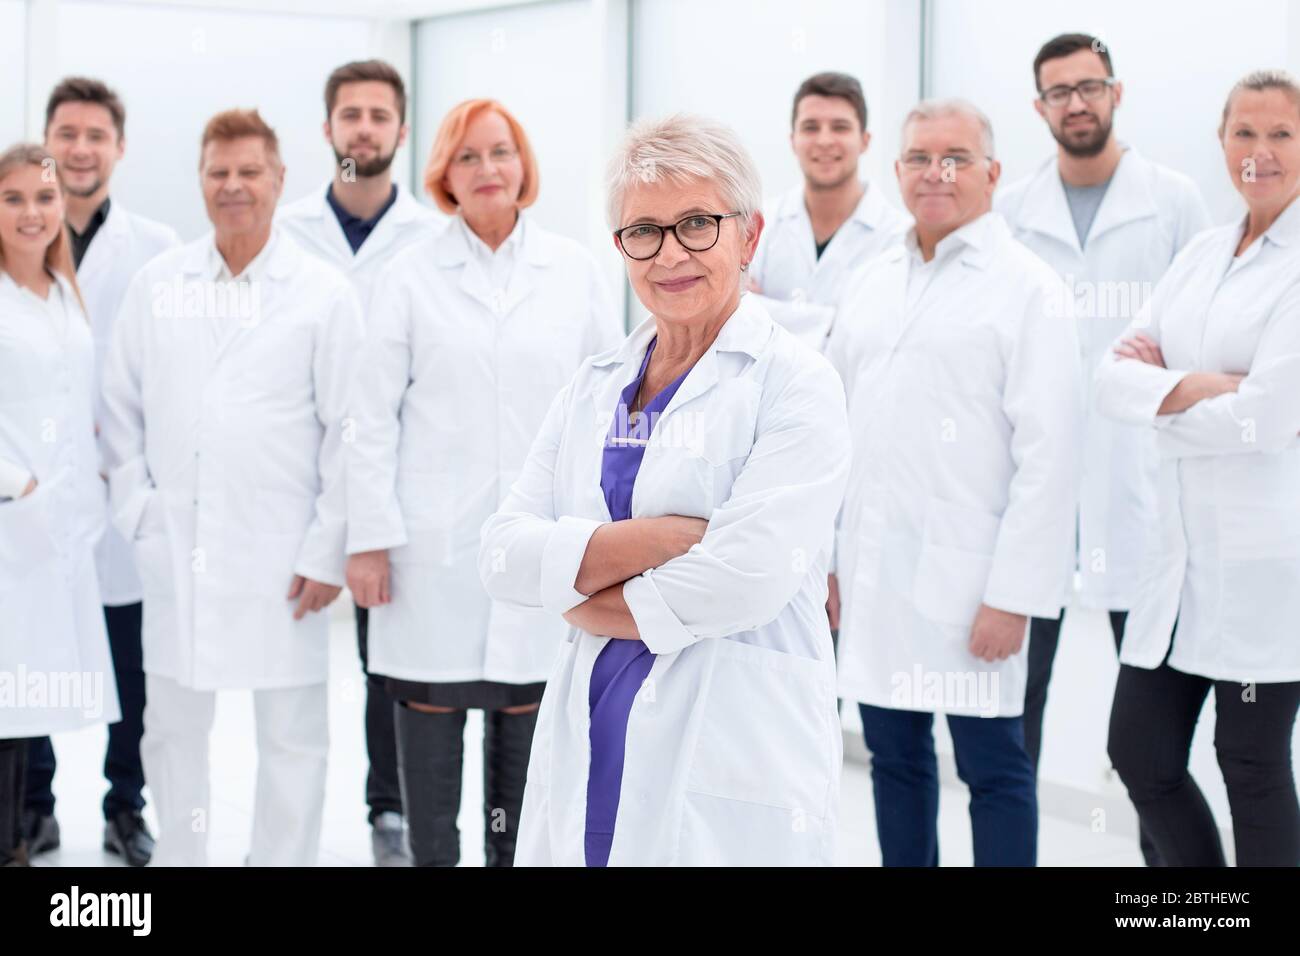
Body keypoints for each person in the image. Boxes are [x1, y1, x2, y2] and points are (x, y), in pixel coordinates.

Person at [479, 114, 851, 866]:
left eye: (696, 225)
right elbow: (500, 554)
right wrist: (657, 541)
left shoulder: (794, 382)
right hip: (594, 717)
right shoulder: (594, 385)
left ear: (748, 236)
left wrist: (575, 593)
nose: (670, 253)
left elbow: (744, 581)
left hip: (732, 732)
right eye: (643, 230)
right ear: (619, 247)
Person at [346, 99, 619, 867]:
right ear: (444, 176)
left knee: (527, 742)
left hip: (545, 544)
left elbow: (606, 408)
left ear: (523, 166)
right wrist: (368, 539)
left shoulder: (573, 270)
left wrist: (603, 537)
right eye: (468, 157)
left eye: (500, 152)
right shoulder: (406, 276)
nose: (487, 169)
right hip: (433, 551)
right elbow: (368, 419)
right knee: (430, 727)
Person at [101, 109, 362, 866]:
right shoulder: (160, 285)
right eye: (219, 172)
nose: (234, 186)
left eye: (250, 171)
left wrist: (327, 549)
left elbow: (351, 430)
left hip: (284, 553)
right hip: (177, 549)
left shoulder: (321, 292)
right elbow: (117, 412)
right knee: (174, 730)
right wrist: (138, 511)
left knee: (292, 736)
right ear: (202, 183)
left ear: (279, 180)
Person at [828, 100, 1083, 867]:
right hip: (874, 581)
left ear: (993, 173)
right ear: (897, 170)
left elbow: (1053, 455)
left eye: (956, 157)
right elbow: (833, 433)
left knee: (993, 770)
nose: (934, 172)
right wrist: (830, 562)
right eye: (918, 157)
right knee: (893, 762)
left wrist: (1014, 595)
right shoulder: (870, 280)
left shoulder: (1030, 289)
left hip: (975, 584)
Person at [997, 34, 1212, 866]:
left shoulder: (1174, 199)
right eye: (1059, 91)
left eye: (1090, 87)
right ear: (1040, 107)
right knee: (1017, 709)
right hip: (1040, 495)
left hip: (1145, 497)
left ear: (1115, 93)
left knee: (1152, 745)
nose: (1076, 103)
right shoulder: (1013, 211)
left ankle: (1172, 897)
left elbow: (1191, 335)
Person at [1095, 70, 1300, 867]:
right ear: (1221, 142)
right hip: (1176, 569)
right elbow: (1111, 378)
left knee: (1250, 764)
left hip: (1266, 569)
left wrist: (1163, 409)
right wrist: (1212, 394)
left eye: (1280, 134)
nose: (1260, 152)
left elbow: (1268, 419)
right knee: (1140, 755)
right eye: (1244, 133)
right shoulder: (1204, 252)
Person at [277, 58, 438, 867]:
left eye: (379, 115)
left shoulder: (432, 237)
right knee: (281, 652)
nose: (364, 129)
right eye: (351, 115)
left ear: (401, 132)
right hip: (291, 474)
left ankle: (389, 808)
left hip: (386, 474)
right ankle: (284, 828)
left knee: (385, 652)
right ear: (329, 129)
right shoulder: (287, 227)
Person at [21, 76, 181, 867]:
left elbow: (169, 371)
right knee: (29, 652)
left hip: (121, 484)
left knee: (129, 659)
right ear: (46, 144)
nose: (79, 149)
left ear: (119, 147)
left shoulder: (156, 249)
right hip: (33, 495)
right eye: (66, 133)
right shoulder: (16, 239)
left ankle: (126, 805)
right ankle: (33, 809)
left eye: (95, 135)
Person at [0, 143, 121, 866]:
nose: (32, 212)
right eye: (12, 198)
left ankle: (15, 840)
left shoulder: (62, 294)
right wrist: (17, 487)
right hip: (12, 517)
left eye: (43, 198)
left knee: (25, 701)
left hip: (57, 535)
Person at [747, 71, 909, 352]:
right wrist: (834, 321)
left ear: (865, 140)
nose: (824, 140)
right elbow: (732, 317)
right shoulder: (759, 224)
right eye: (810, 127)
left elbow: (882, 338)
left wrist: (764, 312)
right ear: (793, 140)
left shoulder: (900, 238)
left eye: (840, 127)